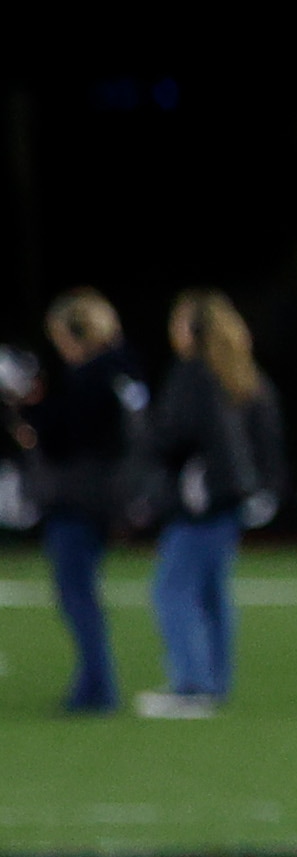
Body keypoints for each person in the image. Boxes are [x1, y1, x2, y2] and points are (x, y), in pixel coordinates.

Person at [131, 291, 279, 718]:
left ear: (192, 330)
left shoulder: (194, 373)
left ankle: (192, 686)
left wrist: (143, 430)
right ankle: (213, 683)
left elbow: (174, 434)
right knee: (212, 595)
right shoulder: (240, 375)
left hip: (201, 500)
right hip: (229, 498)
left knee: (172, 590)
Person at [25, 292, 136, 714]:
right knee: (81, 592)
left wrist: (33, 417)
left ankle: (97, 688)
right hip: (104, 497)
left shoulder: (91, 378)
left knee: (76, 595)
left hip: (79, 498)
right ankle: (92, 684)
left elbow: (65, 438)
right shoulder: (122, 371)